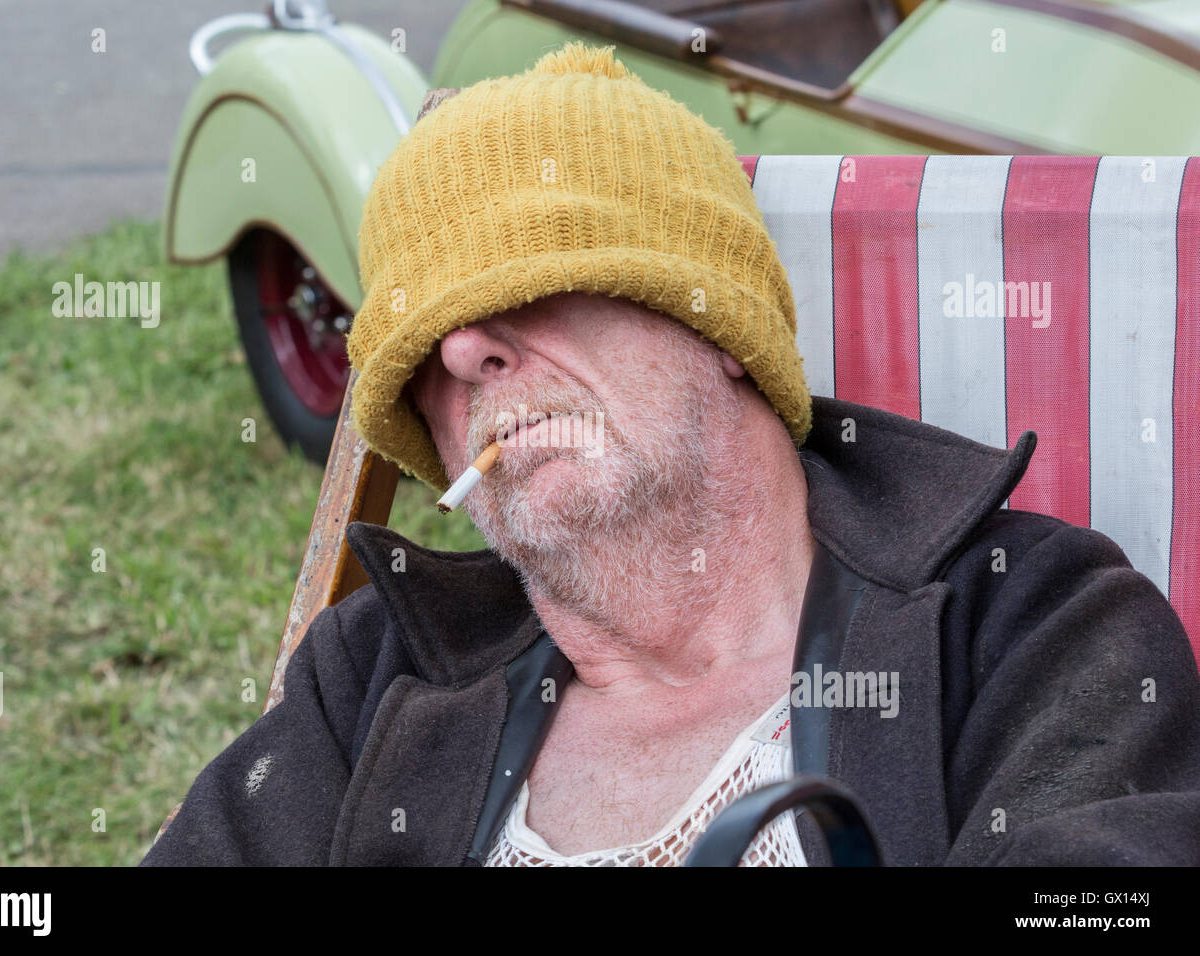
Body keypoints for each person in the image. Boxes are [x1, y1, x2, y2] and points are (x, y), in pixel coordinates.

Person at [141, 42, 1200, 867]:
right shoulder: (375, 672)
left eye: (529, 280)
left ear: (717, 326)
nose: (464, 349)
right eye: (424, 340)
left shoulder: (1029, 621)